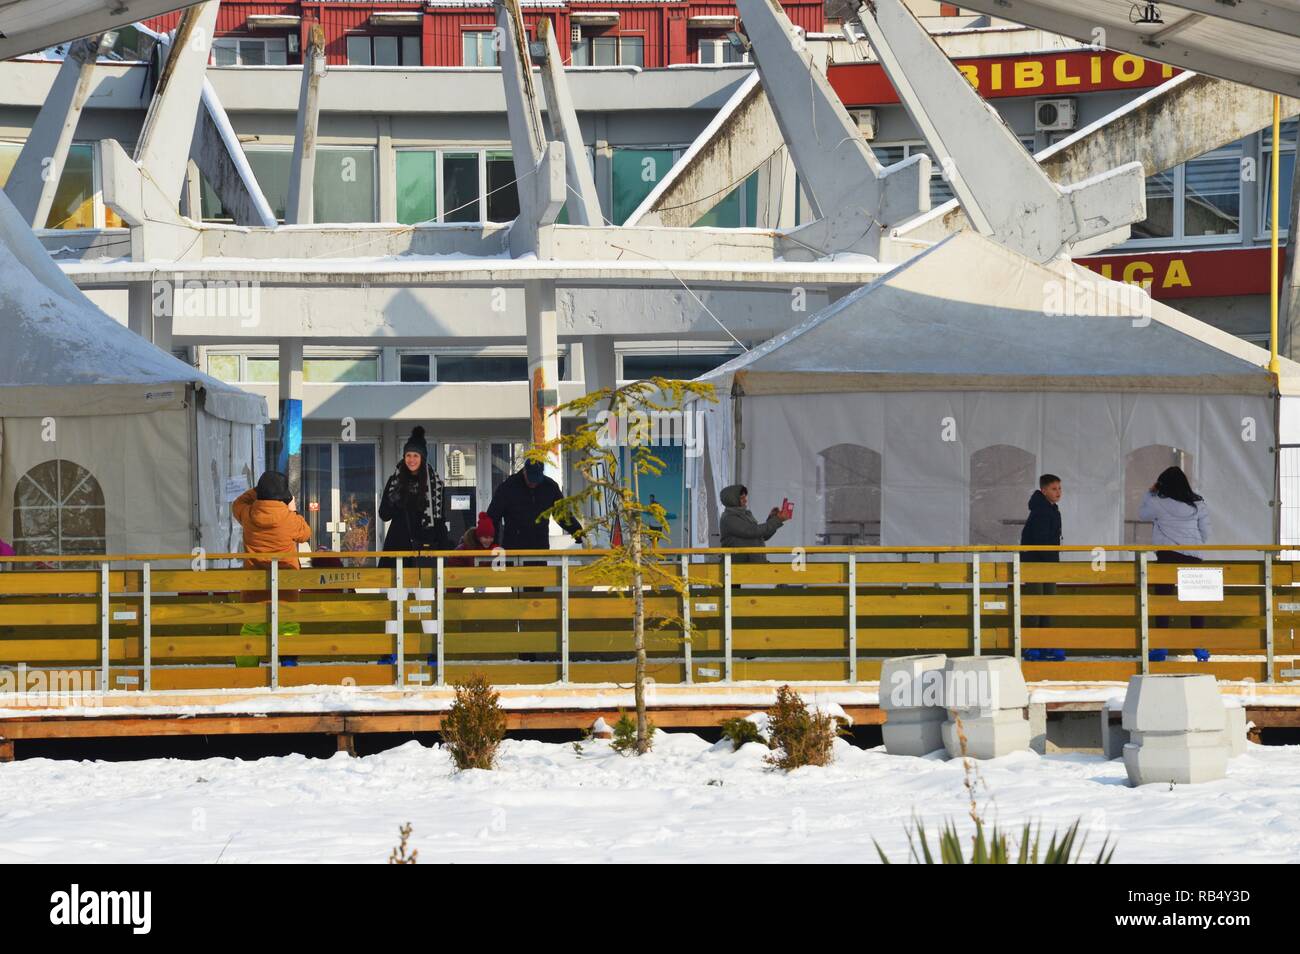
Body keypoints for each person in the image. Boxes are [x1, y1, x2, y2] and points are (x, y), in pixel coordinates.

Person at [231, 470, 312, 665]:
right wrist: (292, 510)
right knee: (288, 627)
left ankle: (246, 672)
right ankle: (287, 666)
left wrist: (256, 492)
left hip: (254, 586)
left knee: (252, 628)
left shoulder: (249, 514)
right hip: (285, 585)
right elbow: (305, 534)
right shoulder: (288, 518)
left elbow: (237, 504)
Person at [1140, 466, 1210, 630]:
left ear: (1162, 485)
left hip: (1167, 556)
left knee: (1163, 601)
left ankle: (1161, 645)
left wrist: (1150, 493)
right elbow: (1206, 533)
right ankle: (1198, 645)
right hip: (1193, 556)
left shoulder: (1156, 503)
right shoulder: (1198, 504)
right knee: (1195, 602)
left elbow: (1142, 514)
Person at [379, 426, 451, 568]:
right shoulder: (395, 481)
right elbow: (384, 514)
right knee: (397, 589)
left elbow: (440, 520)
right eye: (408, 455)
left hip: (425, 548)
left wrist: (443, 548)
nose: (411, 460)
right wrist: (396, 499)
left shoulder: (436, 484)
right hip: (397, 545)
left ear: (422, 458)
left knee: (424, 590)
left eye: (415, 456)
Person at [485, 460, 582, 552]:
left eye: (536, 480)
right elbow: (493, 516)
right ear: (524, 471)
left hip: (539, 546)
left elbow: (561, 514)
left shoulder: (550, 487)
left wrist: (577, 531)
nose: (533, 483)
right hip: (514, 547)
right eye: (531, 479)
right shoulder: (508, 487)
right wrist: (492, 543)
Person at [1020, 474, 1062, 630]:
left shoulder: (1051, 509)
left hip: (1047, 562)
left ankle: (1046, 641)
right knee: (1037, 604)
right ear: (1044, 491)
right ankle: (1033, 643)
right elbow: (1041, 540)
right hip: (1036, 564)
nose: (1058, 492)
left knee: (1048, 603)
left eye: (1059, 488)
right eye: (1054, 489)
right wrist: (1052, 563)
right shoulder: (1042, 511)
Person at [719, 484, 789, 563]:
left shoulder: (746, 514)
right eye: (742, 498)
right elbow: (752, 531)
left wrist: (773, 518)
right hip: (739, 566)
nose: (745, 500)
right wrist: (777, 520)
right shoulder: (728, 518)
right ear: (733, 500)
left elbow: (762, 536)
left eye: (745, 497)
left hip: (754, 563)